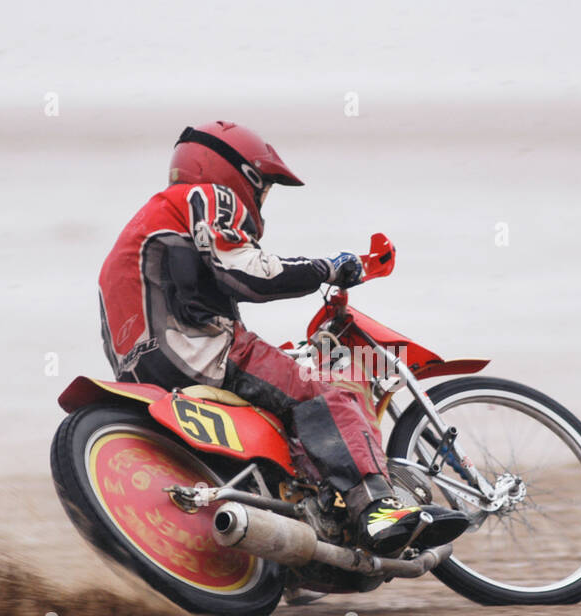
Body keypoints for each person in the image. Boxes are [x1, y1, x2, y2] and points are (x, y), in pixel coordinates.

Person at [97, 121, 466, 556]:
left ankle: (294, 526)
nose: (262, 200)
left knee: (282, 395)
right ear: (241, 175)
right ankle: (378, 508)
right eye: (265, 186)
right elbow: (244, 271)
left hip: (146, 372)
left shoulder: (147, 223)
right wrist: (328, 268)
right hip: (199, 350)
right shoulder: (210, 196)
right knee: (328, 392)